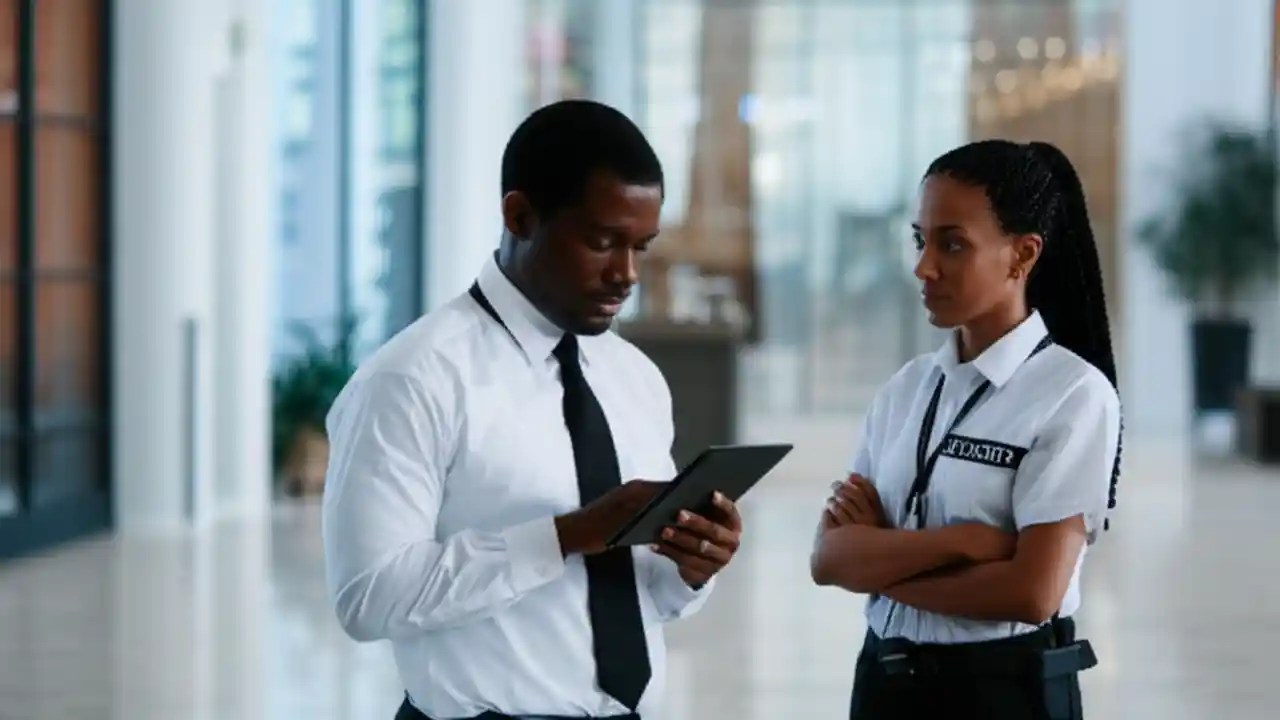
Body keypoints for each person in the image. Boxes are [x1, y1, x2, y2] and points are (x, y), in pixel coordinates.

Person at [321, 99, 745, 720]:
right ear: (520, 216)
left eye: (642, 246)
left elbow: (645, 598)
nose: (626, 274)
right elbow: (368, 600)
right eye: (602, 242)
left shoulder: (635, 379)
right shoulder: (412, 379)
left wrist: (692, 567)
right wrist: (568, 534)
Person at [810, 139, 1122, 720]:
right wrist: (964, 544)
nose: (923, 266)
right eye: (920, 240)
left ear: (1022, 255)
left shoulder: (1072, 395)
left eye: (952, 244)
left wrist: (881, 567)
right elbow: (829, 560)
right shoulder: (905, 391)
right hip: (883, 683)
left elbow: (1031, 594)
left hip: (1001, 692)